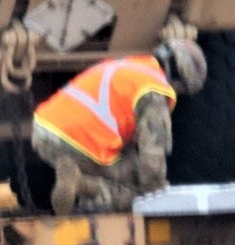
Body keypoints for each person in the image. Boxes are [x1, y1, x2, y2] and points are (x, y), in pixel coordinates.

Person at [31, 39, 207, 215]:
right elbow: (152, 158)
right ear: (179, 79)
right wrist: (157, 196)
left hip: (43, 130)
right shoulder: (154, 92)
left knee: (127, 162)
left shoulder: (133, 66)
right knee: (140, 189)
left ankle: (84, 195)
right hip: (78, 142)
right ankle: (83, 186)